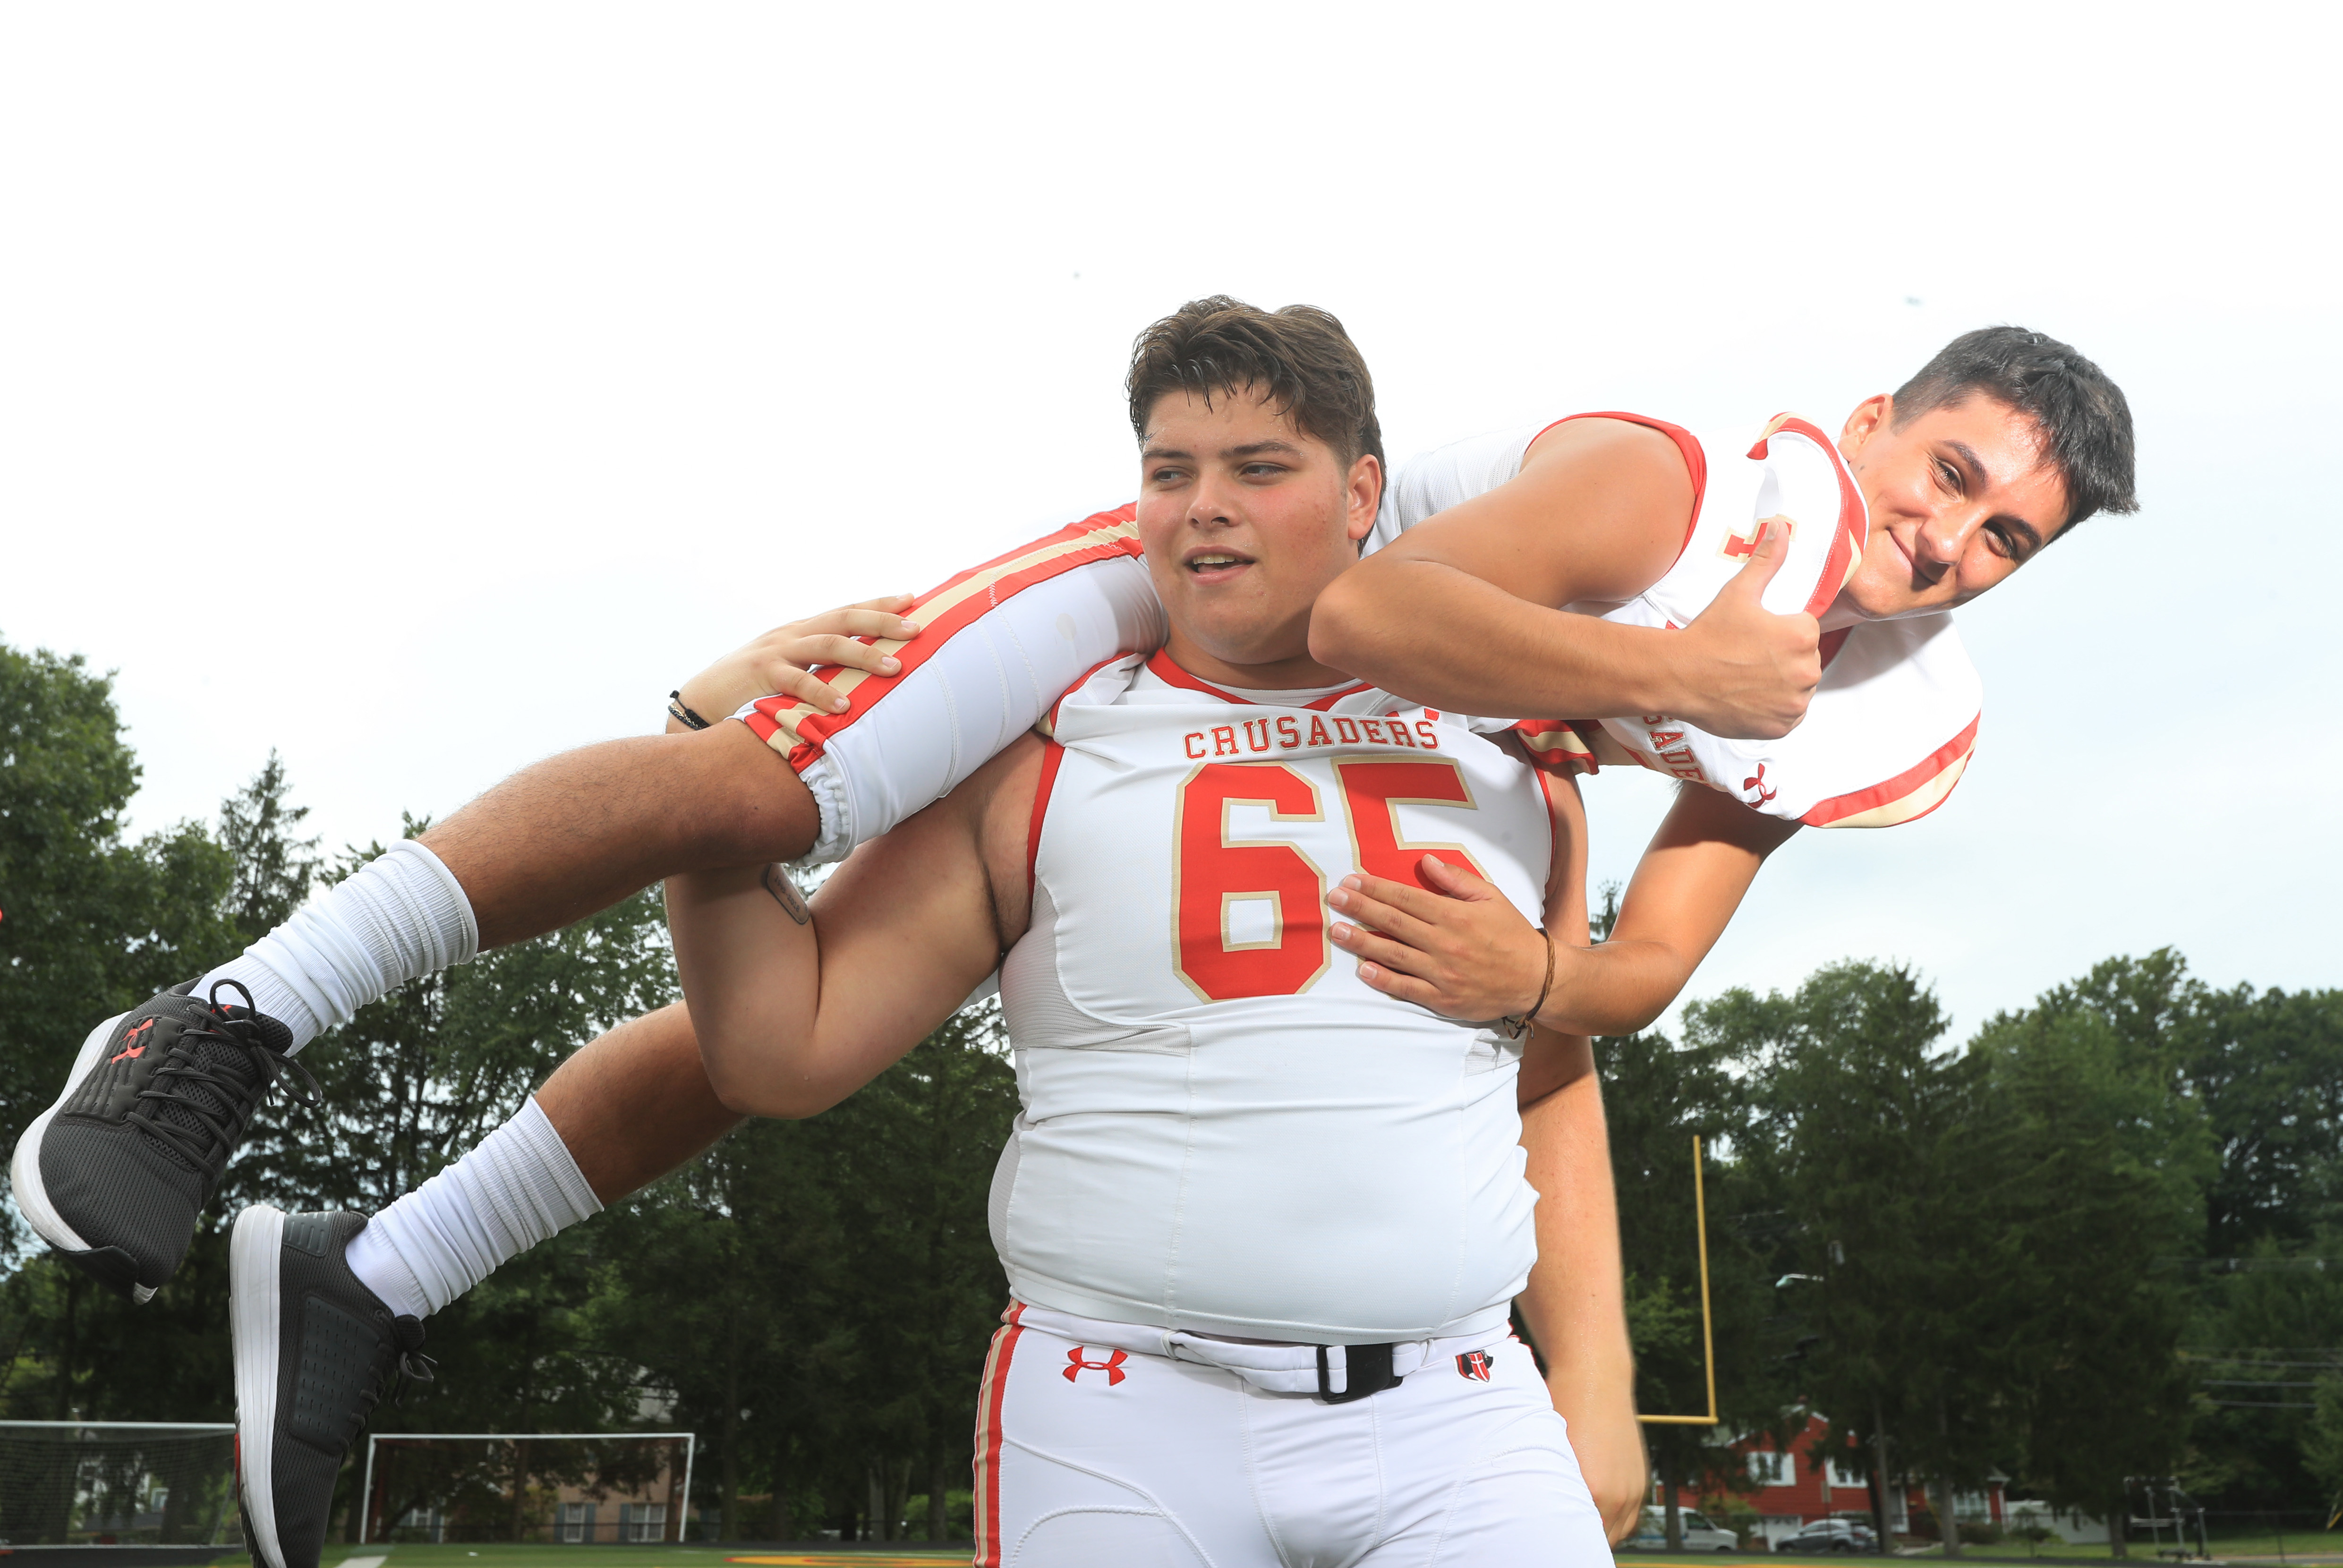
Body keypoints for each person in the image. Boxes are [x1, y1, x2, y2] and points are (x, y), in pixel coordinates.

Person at [8, 299, 2134, 1559]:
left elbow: (1626, 984)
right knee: (787, 789)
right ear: (1865, 418)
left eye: (1998, 537)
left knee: (827, 1002)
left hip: (1389, 821)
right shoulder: (1686, 491)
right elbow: (1365, 610)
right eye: (1939, 467)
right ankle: (230, 1012)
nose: (1941, 535)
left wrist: (1554, 1029)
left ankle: (382, 1264)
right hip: (1242, 591)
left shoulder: (1878, 706)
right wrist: (1673, 683)